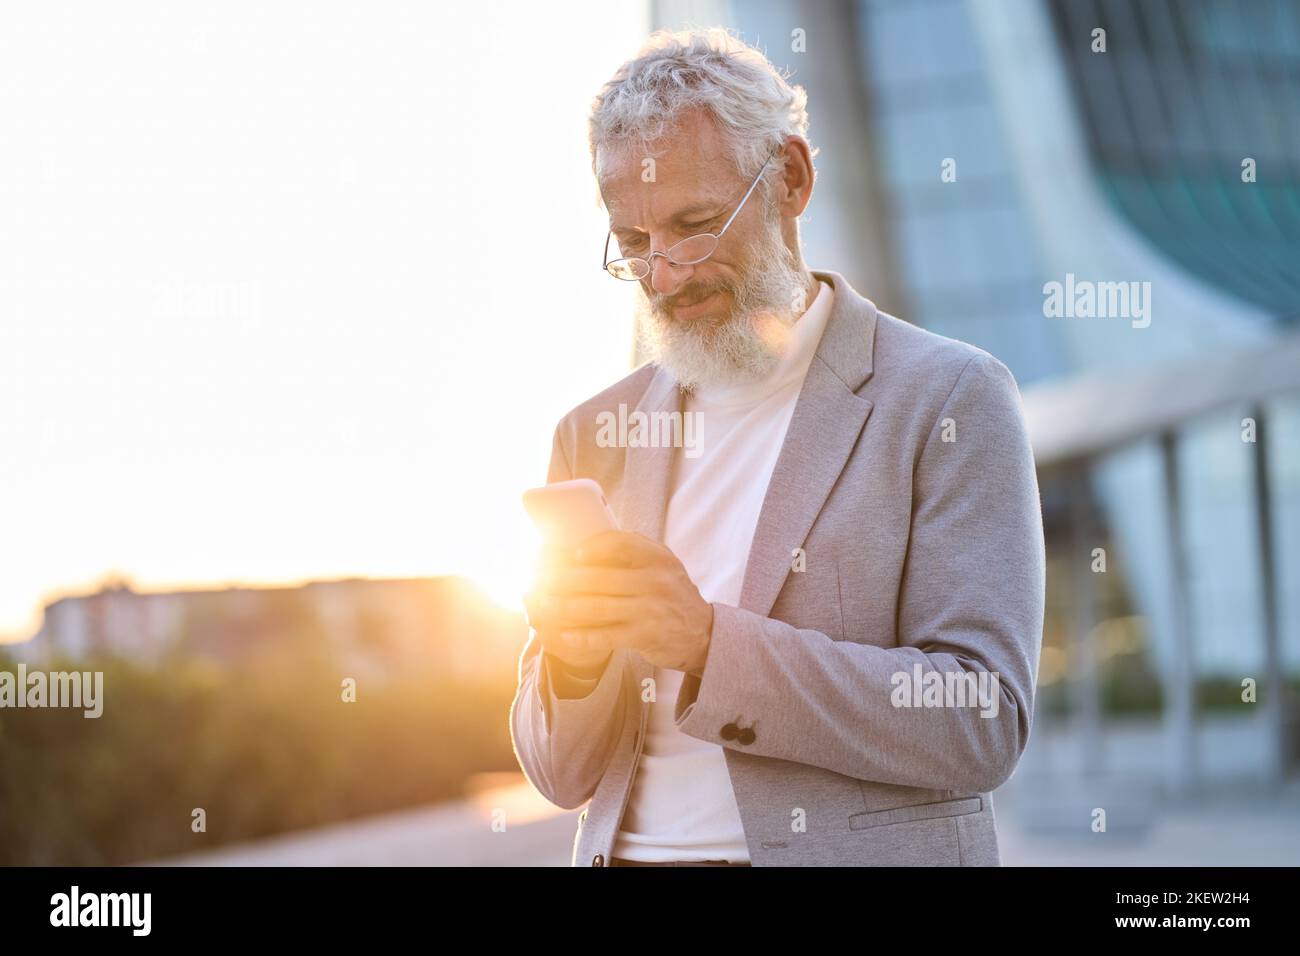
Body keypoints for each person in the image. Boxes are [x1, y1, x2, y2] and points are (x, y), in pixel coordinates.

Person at [510, 27, 1045, 867]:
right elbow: (558, 772)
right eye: (638, 243)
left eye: (694, 224)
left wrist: (707, 646)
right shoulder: (591, 436)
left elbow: (981, 718)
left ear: (790, 179)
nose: (668, 273)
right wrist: (573, 668)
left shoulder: (948, 397)